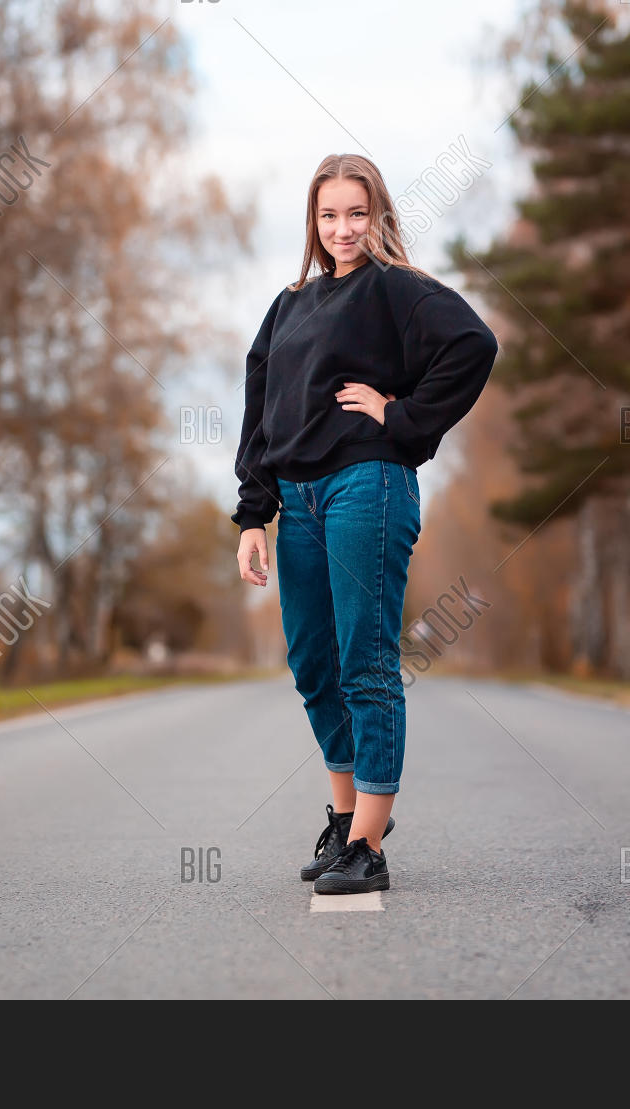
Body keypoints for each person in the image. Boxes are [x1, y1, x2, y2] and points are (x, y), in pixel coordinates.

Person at [231, 153, 498, 894]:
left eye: (356, 213)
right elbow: (260, 416)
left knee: (365, 660)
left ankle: (369, 847)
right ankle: (346, 822)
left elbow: (473, 347)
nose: (342, 228)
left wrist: (401, 415)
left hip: (366, 484)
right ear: (313, 222)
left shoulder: (398, 290)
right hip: (297, 496)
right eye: (328, 215)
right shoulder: (288, 306)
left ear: (378, 216)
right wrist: (254, 514)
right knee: (313, 665)